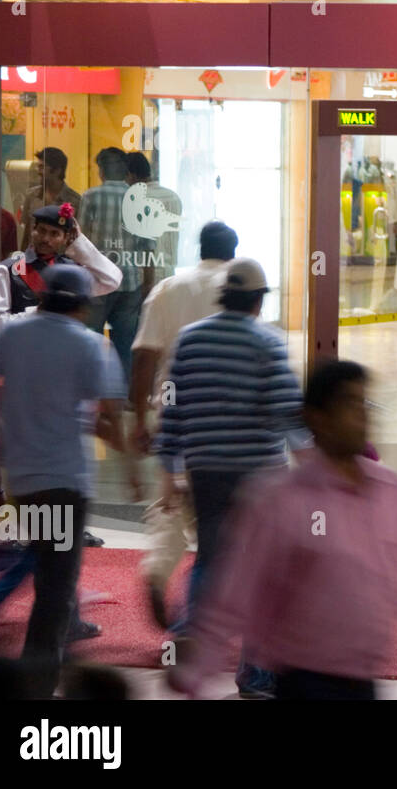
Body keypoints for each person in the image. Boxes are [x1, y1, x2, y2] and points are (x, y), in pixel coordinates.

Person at [167, 360, 397, 700]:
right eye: (349, 403)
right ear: (316, 417)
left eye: (365, 403)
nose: (363, 415)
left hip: (365, 684)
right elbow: (234, 595)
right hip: (304, 684)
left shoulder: (392, 492)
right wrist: (195, 672)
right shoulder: (280, 499)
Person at [0, 265, 128, 697]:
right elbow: (110, 415)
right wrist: (132, 468)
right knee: (55, 586)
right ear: (81, 305)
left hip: (23, 478)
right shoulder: (91, 345)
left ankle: (20, 634)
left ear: (44, 299)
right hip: (65, 481)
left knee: (44, 563)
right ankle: (37, 684)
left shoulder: (14, 335)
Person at [155, 257, 304, 698]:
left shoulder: (189, 340)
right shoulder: (267, 341)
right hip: (260, 474)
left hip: (205, 469)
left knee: (210, 558)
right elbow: (286, 409)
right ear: (258, 301)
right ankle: (255, 675)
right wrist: (315, 462)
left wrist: (169, 471)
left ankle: (193, 633)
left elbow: (173, 409)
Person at [129, 221, 239, 629]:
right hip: (226, 422)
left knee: (171, 505)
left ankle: (157, 571)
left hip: (172, 413)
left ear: (200, 249)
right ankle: (202, 617)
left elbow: (144, 355)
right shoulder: (239, 288)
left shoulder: (169, 289)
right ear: (233, 251)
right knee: (220, 523)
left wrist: (140, 418)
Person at [0, 203, 122, 336]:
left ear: (66, 238)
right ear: (33, 230)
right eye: (42, 231)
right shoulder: (10, 269)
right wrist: (35, 314)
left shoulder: (71, 272)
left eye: (55, 234)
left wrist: (80, 244)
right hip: (23, 351)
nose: (46, 239)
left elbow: (112, 280)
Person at [80, 146, 151, 384]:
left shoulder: (91, 196)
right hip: (131, 283)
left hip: (98, 282)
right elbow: (147, 247)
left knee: (92, 341)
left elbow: (80, 242)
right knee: (125, 344)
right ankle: (121, 400)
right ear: (124, 170)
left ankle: (96, 396)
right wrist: (147, 286)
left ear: (101, 170)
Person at [124, 151, 183, 287]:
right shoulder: (173, 197)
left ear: (131, 175)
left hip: (143, 278)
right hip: (169, 275)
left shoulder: (136, 200)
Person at [18, 147, 82, 250]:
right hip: (34, 260)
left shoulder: (75, 201)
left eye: (42, 167)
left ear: (57, 170)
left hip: (61, 262)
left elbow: (78, 239)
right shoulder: (32, 196)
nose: (38, 171)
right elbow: (26, 234)